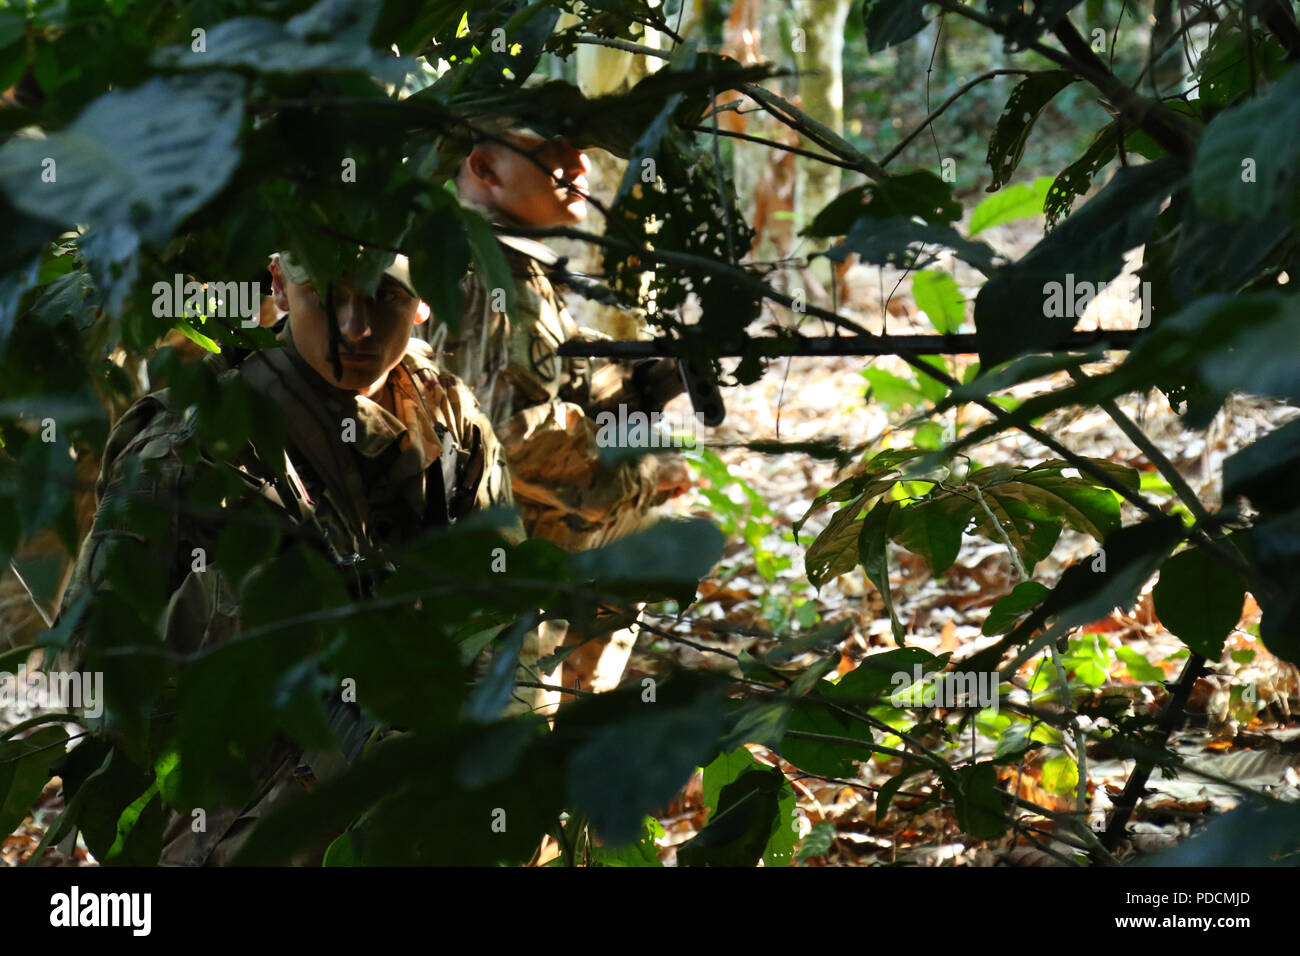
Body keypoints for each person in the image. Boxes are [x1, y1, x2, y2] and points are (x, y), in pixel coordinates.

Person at [55, 252, 517, 865]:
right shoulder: (191, 443)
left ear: (425, 298)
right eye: (327, 293)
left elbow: (509, 618)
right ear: (278, 282)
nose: (355, 326)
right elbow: (94, 671)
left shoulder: (450, 419)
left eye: (384, 297)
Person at [414, 119, 693, 711]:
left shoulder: (484, 257)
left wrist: (637, 378)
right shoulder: (487, 276)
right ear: (483, 169)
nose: (579, 167)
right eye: (550, 152)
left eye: (580, 149)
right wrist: (642, 476)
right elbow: (504, 435)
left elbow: (550, 361)